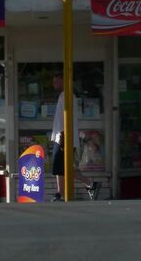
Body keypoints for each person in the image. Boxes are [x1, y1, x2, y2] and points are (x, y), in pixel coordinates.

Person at [50, 72, 100, 201]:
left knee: (62, 167)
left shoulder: (67, 96)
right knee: (59, 167)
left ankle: (89, 183)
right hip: (61, 137)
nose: (53, 84)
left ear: (62, 80)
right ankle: (61, 193)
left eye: (56, 81)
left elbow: (67, 118)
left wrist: (62, 135)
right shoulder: (65, 96)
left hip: (63, 137)